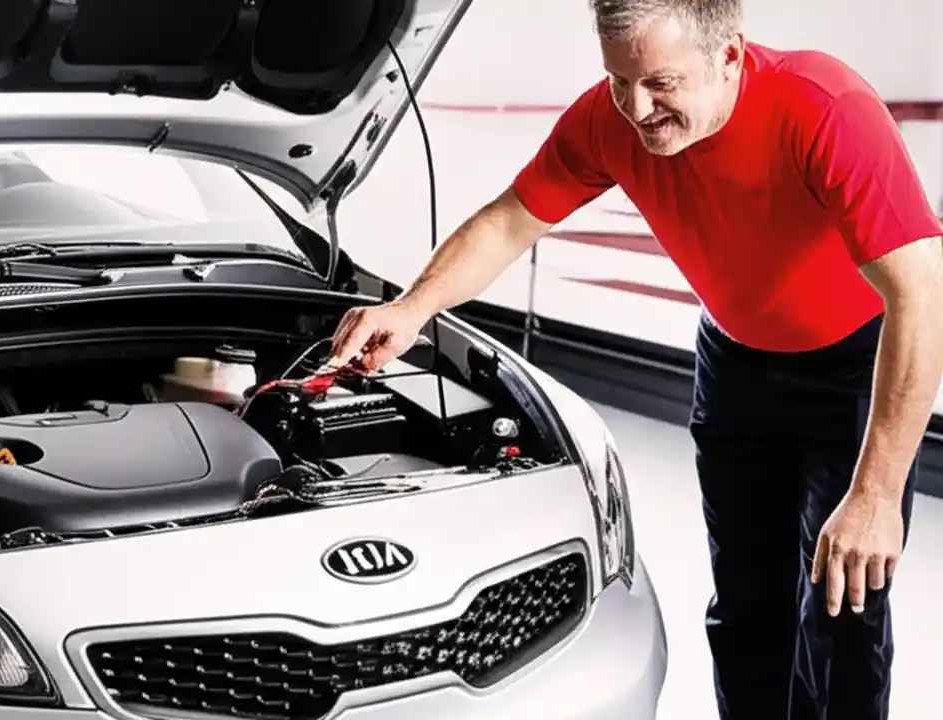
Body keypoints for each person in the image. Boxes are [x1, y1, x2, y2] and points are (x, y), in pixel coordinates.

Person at [327, 1, 943, 718]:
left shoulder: (823, 106)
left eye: (660, 83)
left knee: (843, 611)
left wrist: (874, 497)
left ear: (730, 57)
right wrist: (412, 308)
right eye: (620, 81)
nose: (637, 108)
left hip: (854, 370)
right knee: (746, 606)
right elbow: (506, 222)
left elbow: (922, 295)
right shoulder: (607, 120)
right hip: (737, 365)